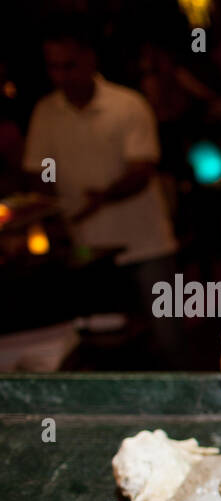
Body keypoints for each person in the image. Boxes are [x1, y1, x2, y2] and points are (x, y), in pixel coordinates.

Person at [22, 26, 180, 360]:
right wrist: (52, 211)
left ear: (89, 59)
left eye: (69, 66)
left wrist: (100, 200)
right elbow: (40, 169)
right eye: (54, 67)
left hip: (145, 244)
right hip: (88, 253)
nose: (62, 76)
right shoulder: (46, 113)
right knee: (106, 346)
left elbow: (141, 169)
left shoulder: (127, 105)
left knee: (167, 341)